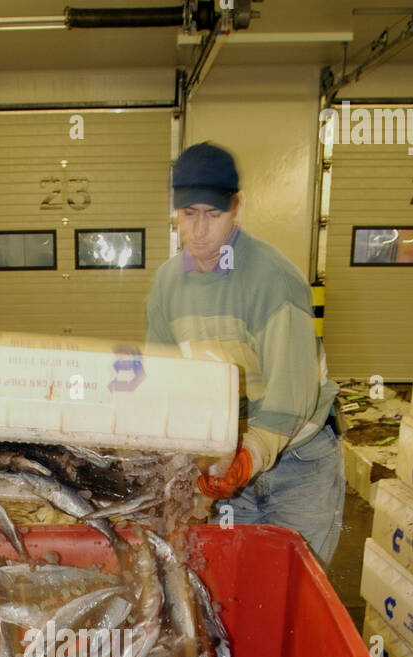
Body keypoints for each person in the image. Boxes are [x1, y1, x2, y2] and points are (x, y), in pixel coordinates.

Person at [146, 141, 344, 565]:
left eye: (213, 215)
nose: (199, 230)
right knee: (236, 589)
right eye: (189, 214)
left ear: (237, 207)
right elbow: (165, 379)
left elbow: (291, 398)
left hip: (298, 462)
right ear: (174, 210)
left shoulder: (273, 279)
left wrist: (246, 457)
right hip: (228, 462)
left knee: (294, 590)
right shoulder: (167, 283)